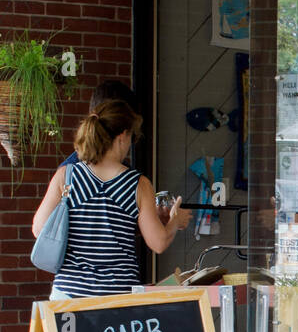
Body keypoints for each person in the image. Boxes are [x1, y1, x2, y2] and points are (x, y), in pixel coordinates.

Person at [32, 99, 189, 299]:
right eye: (132, 135)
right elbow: (158, 243)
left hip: (68, 295)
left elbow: (39, 229)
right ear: (122, 136)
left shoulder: (67, 175)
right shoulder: (138, 184)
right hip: (116, 297)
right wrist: (175, 220)